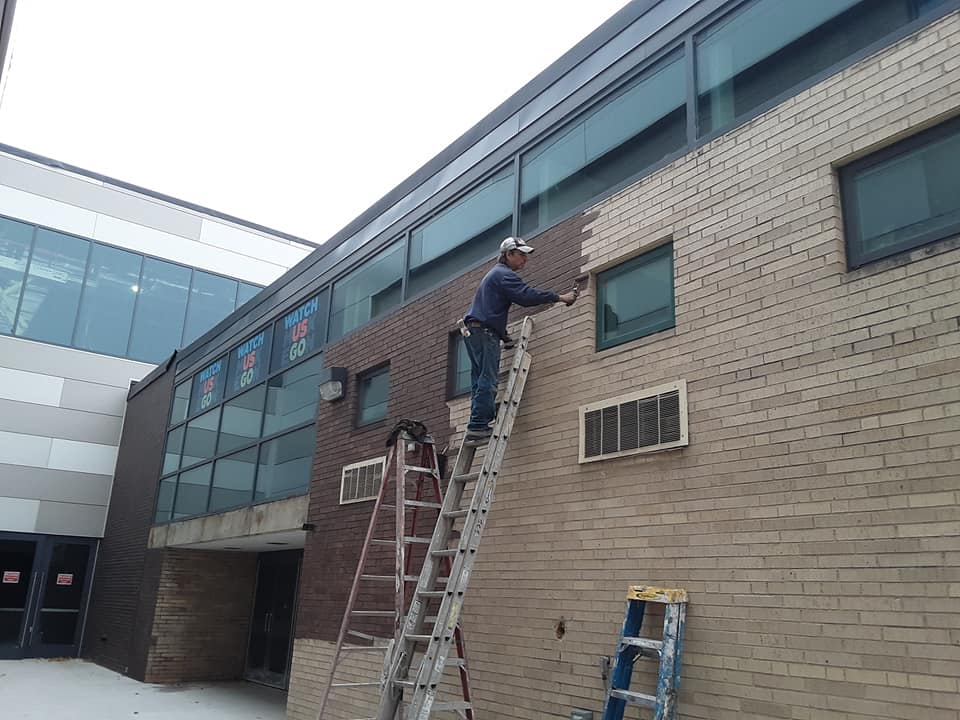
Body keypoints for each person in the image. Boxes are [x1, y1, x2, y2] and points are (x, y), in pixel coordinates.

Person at [461, 236, 578, 443]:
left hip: (475, 331)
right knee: (488, 379)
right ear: (508, 254)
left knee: (480, 380)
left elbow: (489, 308)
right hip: (484, 332)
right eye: (521, 255)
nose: (525, 260)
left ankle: (475, 425)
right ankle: (478, 427)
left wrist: (504, 337)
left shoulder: (494, 275)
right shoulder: (504, 275)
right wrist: (560, 297)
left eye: (526, 256)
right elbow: (526, 296)